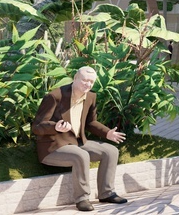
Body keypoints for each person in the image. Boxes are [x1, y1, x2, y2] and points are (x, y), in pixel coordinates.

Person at [32, 66, 128, 212]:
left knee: (111, 151)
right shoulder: (55, 96)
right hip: (54, 147)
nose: (88, 85)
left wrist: (107, 133)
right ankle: (82, 199)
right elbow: (37, 126)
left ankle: (106, 193)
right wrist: (55, 126)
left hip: (77, 142)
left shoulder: (90, 97)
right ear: (75, 78)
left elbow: (91, 122)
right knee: (81, 155)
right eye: (84, 80)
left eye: (91, 82)